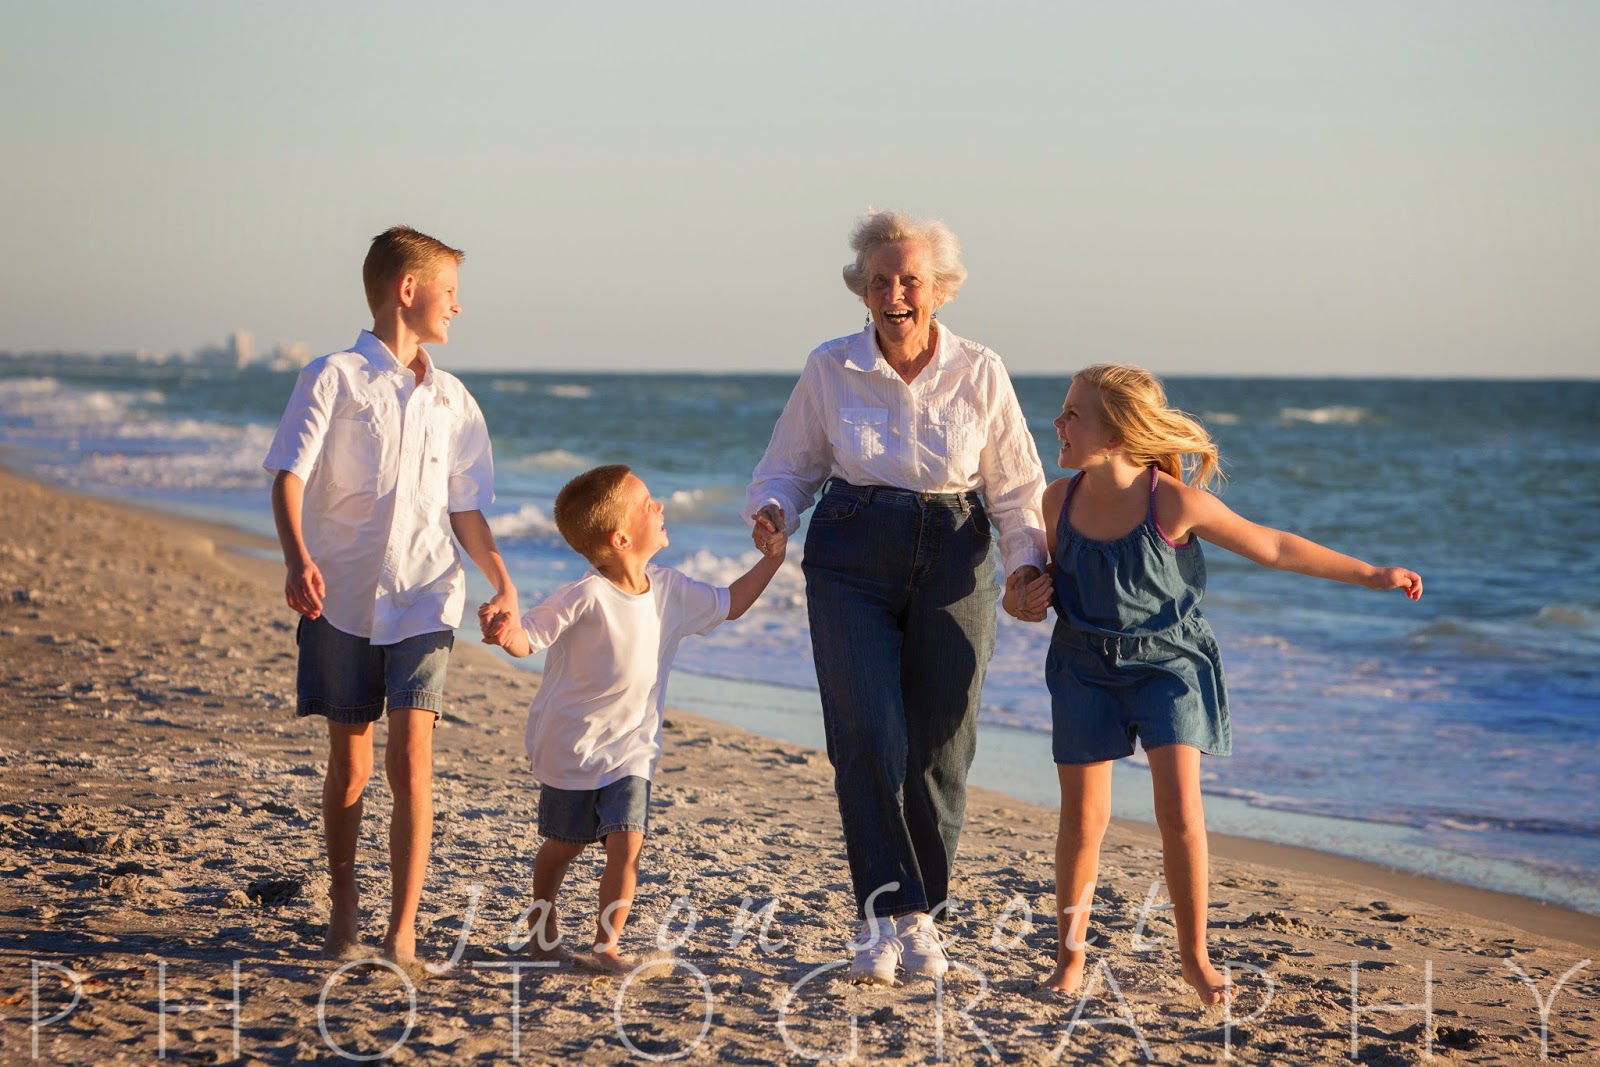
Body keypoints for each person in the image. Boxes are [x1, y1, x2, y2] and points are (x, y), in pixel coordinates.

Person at [1017, 363, 1422, 1002]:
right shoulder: (1055, 500)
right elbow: (1040, 579)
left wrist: (1372, 574)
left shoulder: (1172, 502)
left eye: (1073, 414)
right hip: (1083, 666)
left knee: (1179, 810)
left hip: (1169, 667)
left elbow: (1276, 547)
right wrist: (1022, 593)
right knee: (1083, 818)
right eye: (1064, 411)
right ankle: (1070, 961)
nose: (1058, 422)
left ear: (1120, 432)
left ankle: (1194, 957)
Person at [746, 210, 1053, 985]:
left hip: (957, 556)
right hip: (851, 552)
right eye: (880, 280)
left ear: (939, 290)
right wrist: (776, 510)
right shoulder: (830, 367)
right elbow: (789, 464)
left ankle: (921, 914)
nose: (894, 293)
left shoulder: (981, 369)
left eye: (909, 279)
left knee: (943, 745)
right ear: (863, 289)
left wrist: (1026, 569)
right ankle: (883, 916)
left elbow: (1017, 487)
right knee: (868, 736)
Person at [263, 225, 517, 969]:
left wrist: (503, 581)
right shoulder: (333, 376)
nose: (458, 307)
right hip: (338, 595)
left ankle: (401, 930)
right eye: (451, 291)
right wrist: (295, 558)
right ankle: (344, 906)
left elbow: (465, 510)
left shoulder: (455, 401)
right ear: (409, 290)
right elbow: (289, 474)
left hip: (427, 599)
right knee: (352, 763)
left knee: (412, 757)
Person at [479, 464, 787, 973]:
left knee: (627, 844)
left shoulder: (671, 589)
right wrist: (501, 631)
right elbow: (527, 638)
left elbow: (731, 603)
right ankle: (543, 918)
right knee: (563, 846)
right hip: (573, 747)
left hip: (632, 750)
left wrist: (772, 561)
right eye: (648, 504)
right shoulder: (585, 596)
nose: (660, 507)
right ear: (621, 538)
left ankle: (606, 947)